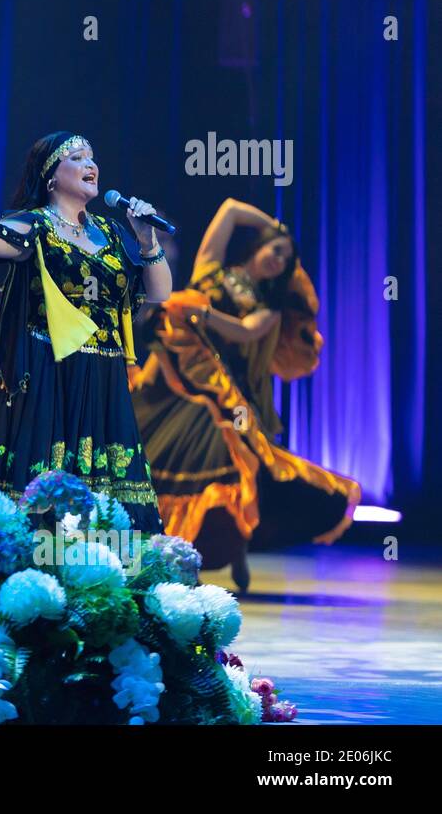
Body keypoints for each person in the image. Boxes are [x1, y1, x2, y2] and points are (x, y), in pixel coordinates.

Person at [0, 132, 172, 530]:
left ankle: (108, 570)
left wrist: (147, 238)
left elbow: (159, 291)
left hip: (103, 376)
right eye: (78, 158)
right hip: (50, 370)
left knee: (109, 479)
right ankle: (33, 564)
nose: (91, 165)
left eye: (93, 157)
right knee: (46, 471)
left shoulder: (112, 233)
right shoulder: (36, 225)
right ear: (50, 177)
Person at [129, 198, 360, 590]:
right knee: (152, 463)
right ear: (259, 246)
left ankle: (224, 553)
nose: (277, 260)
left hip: (219, 393)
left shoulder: (268, 306)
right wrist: (277, 227)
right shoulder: (212, 267)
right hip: (169, 376)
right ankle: (160, 556)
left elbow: (245, 332)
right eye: (275, 250)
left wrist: (202, 314)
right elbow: (231, 209)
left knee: (231, 469)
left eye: (286, 260)